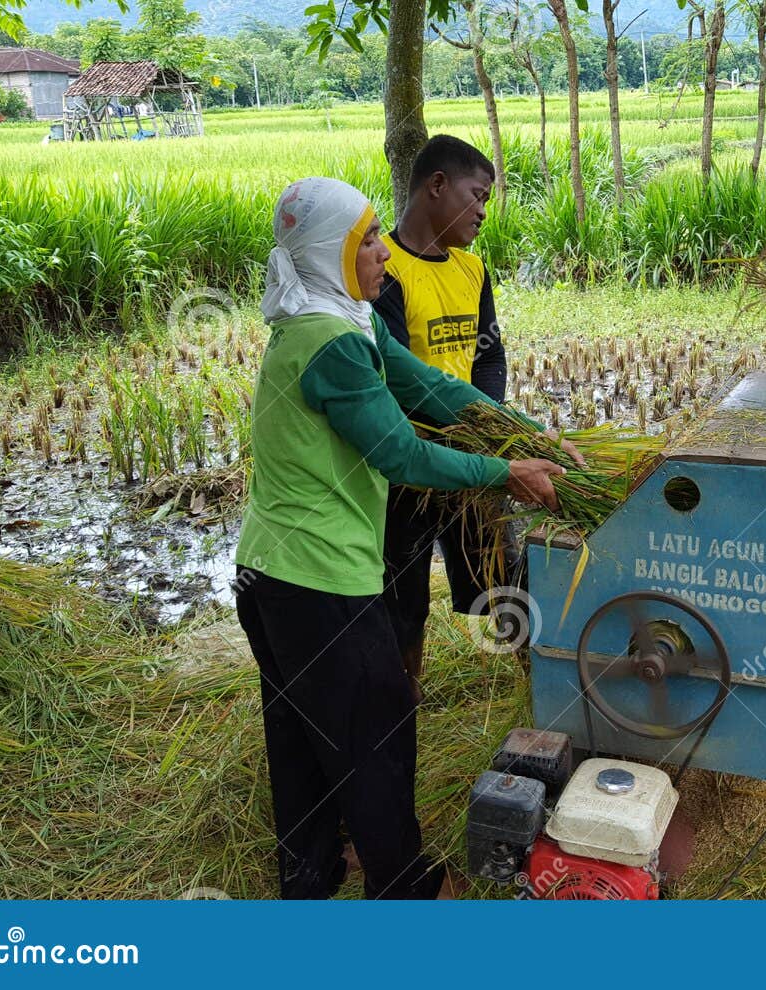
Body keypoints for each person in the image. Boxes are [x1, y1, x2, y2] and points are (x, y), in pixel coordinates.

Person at [234, 176, 565, 898]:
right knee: (375, 736)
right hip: (318, 580)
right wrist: (503, 471)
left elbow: (422, 385)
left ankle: (311, 875)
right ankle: (404, 887)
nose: (382, 253)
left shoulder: (337, 315)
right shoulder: (332, 343)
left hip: (269, 572)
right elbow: (400, 452)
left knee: (301, 736)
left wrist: (516, 427)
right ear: (330, 250)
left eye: (381, 234)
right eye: (368, 239)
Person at [370, 135, 520, 698]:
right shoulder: (383, 270)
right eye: (477, 195)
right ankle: (404, 698)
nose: (484, 211)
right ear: (436, 185)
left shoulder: (472, 270)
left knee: (503, 575)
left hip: (472, 457)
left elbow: (489, 354)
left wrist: (490, 425)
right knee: (403, 595)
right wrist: (459, 434)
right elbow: (397, 378)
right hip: (412, 462)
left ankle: (539, 681)